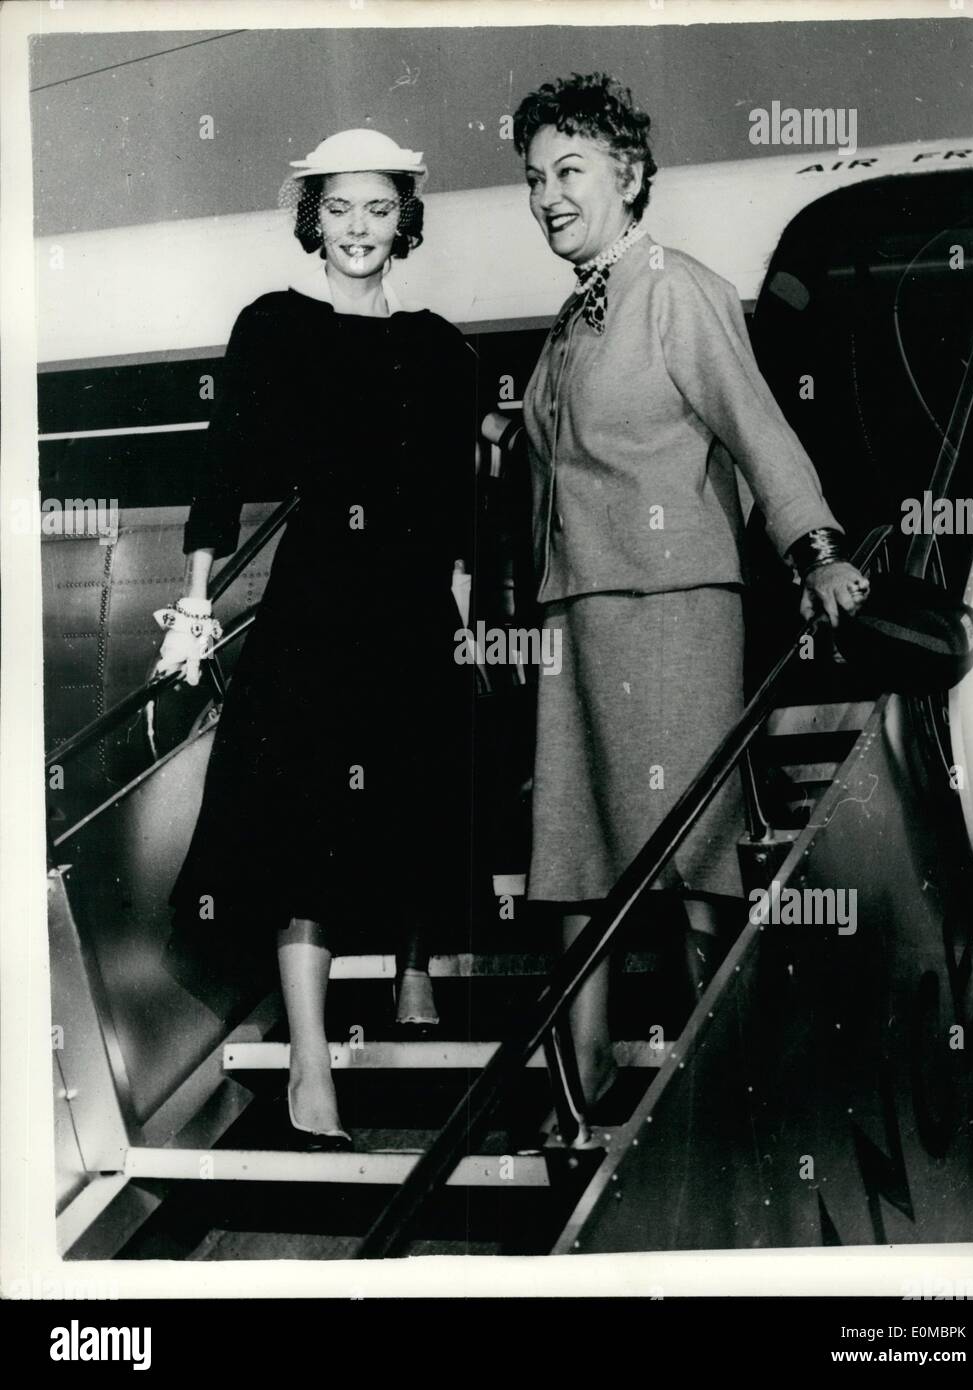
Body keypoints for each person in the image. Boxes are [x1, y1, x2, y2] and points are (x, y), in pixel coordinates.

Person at [512, 74, 870, 1123]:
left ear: (626, 175)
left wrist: (812, 550)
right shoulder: (566, 326)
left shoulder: (678, 290)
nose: (546, 196)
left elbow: (756, 428)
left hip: (673, 606)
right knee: (572, 865)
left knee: (697, 856)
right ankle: (581, 1097)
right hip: (574, 619)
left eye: (567, 171)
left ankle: (732, 1082)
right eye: (533, 179)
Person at [157, 129, 477, 1148]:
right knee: (303, 823)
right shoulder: (274, 328)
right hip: (318, 605)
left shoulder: (439, 347)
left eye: (377, 210)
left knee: (419, 789)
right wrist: (198, 600)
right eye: (338, 209)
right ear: (312, 217)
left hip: (414, 600)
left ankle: (416, 977)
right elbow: (222, 470)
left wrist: (462, 600)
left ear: (403, 220)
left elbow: (456, 500)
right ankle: (308, 1065)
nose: (357, 229)